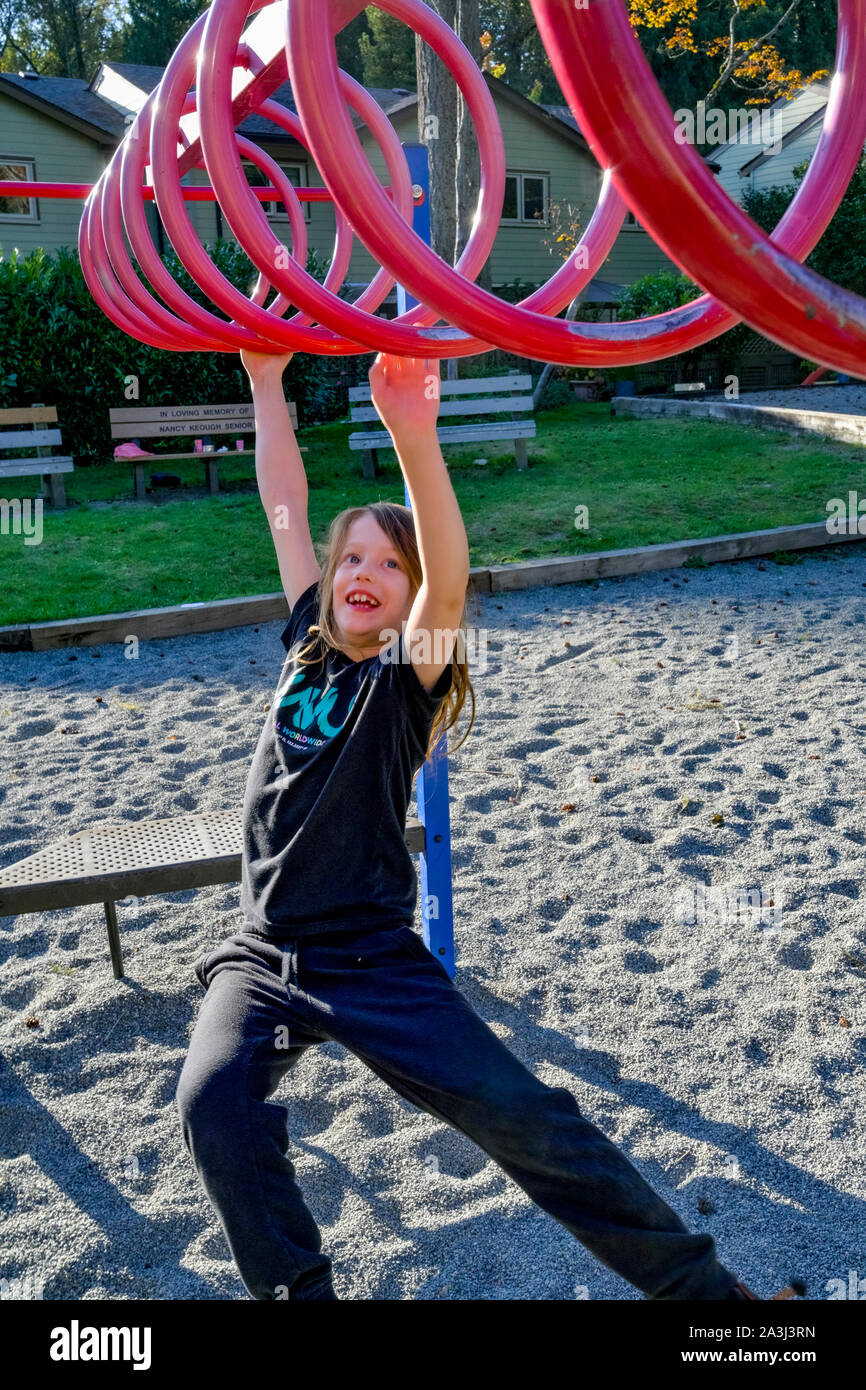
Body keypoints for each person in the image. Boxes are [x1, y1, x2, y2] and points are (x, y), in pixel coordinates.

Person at [175, 348, 790, 1303]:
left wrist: (413, 436)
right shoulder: (304, 644)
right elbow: (282, 506)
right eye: (351, 559)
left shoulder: (400, 682)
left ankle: (721, 1309)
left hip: (369, 956)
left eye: (390, 562)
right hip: (261, 953)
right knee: (211, 1103)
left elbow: (451, 584)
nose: (361, 572)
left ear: (408, 596)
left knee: (524, 1117)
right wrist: (263, 381)